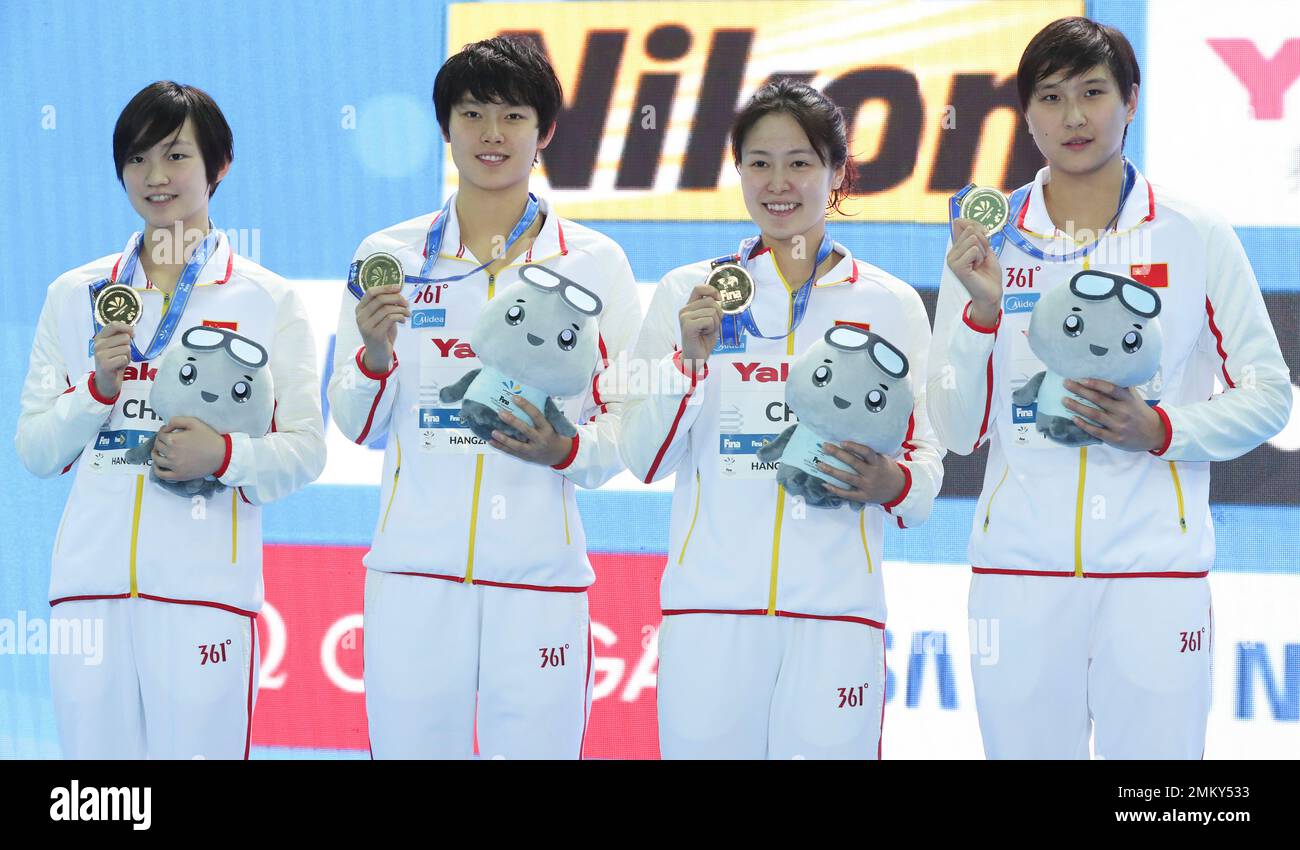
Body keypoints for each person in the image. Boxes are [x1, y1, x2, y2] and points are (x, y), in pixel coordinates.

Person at [929, 16, 1292, 759]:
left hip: (1156, 577)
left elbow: (1269, 394)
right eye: (1051, 97)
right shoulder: (985, 242)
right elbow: (957, 427)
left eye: (1093, 93)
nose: (1073, 117)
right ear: (1025, 116)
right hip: (1018, 577)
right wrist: (981, 311)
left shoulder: (1194, 233)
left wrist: (1161, 430)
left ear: (1132, 99)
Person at [328, 36, 641, 759]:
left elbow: (629, 420)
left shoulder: (594, 261)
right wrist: (375, 356)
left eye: (512, 115)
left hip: (539, 582)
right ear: (446, 127)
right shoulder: (392, 256)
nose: (491, 135)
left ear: (545, 132)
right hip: (413, 575)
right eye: (471, 114)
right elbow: (355, 423)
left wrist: (568, 448)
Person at [618, 79, 943, 759]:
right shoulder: (691, 292)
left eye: (800, 162)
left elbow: (925, 472)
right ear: (737, 171)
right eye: (759, 163)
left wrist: (887, 480)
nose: (779, 183)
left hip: (836, 618)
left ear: (837, 173)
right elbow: (643, 459)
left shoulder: (890, 305)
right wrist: (689, 361)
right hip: (710, 615)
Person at [15, 81, 326, 759]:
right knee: (105, 802)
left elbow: (304, 451)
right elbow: (36, 449)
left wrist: (224, 457)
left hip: (203, 597)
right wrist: (96, 390)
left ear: (219, 166)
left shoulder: (268, 299)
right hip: (88, 593)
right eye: (136, 158)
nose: (155, 177)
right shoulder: (78, 295)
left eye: (176, 156)